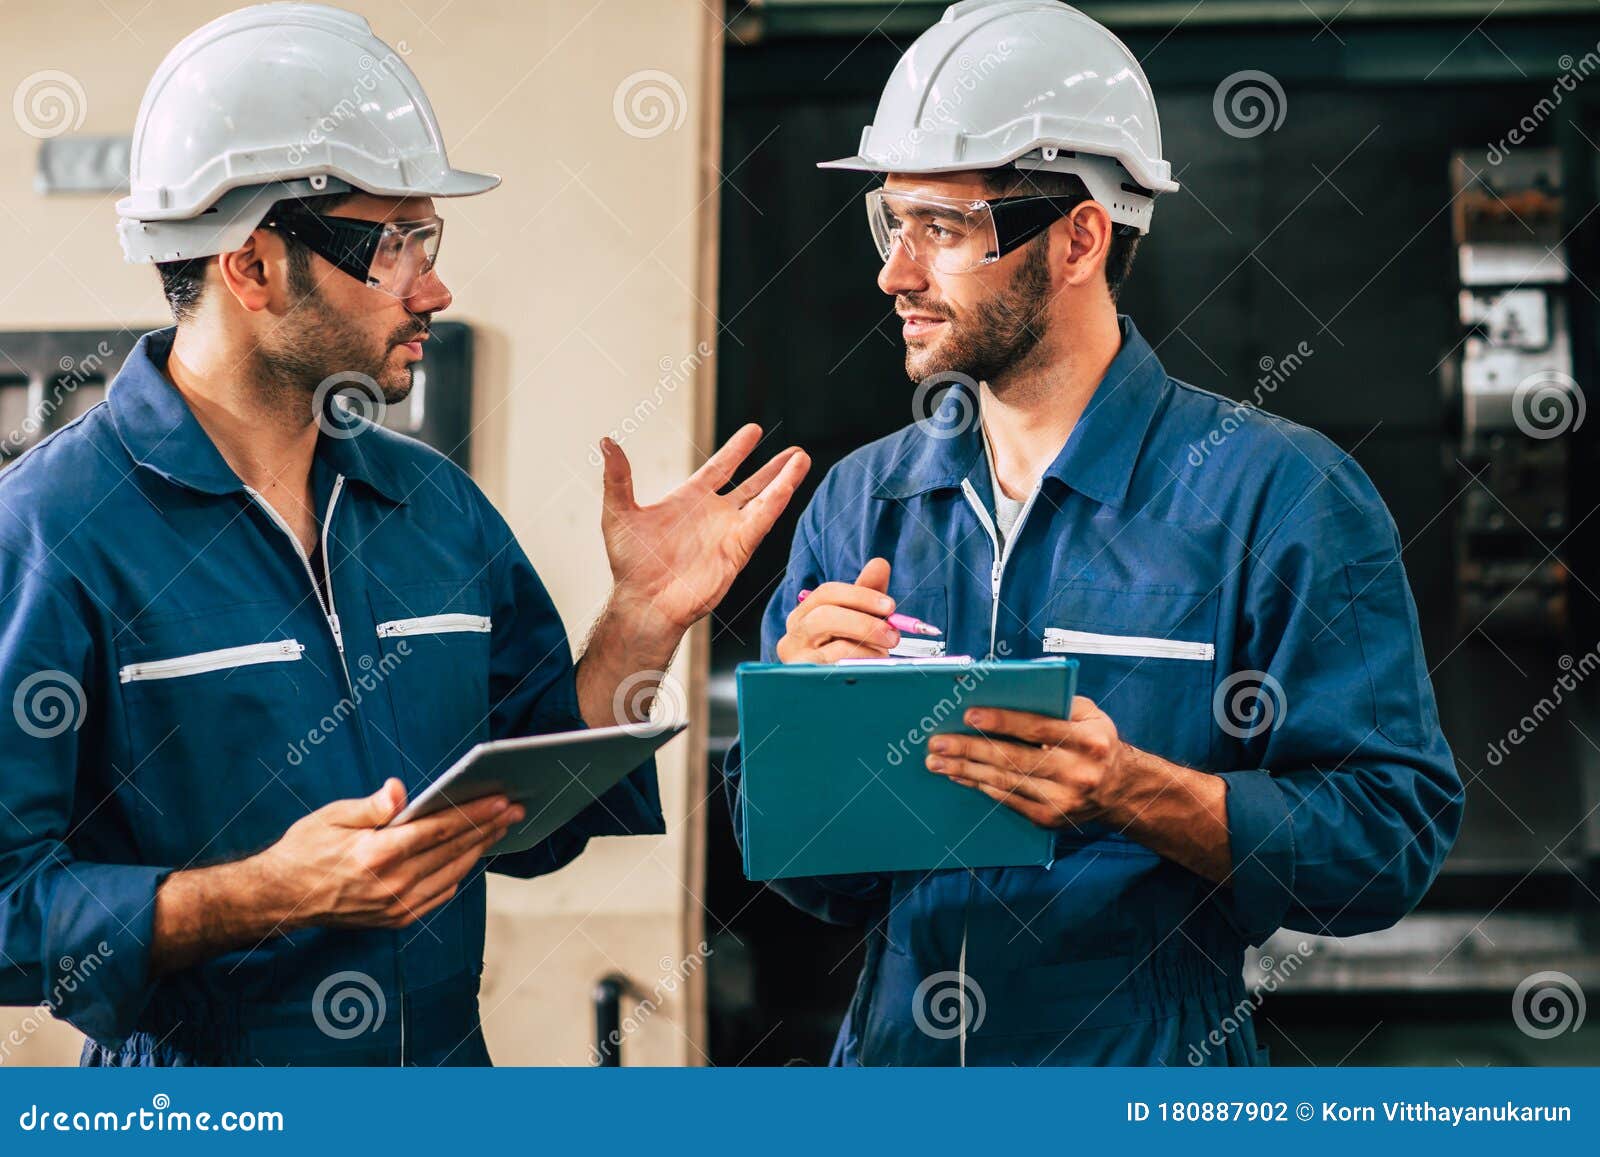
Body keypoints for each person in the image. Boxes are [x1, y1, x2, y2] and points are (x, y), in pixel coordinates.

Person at [0, 4, 808, 1066]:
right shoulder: (53, 528)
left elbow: (527, 812)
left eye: (429, 239)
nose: (434, 287)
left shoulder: (432, 505)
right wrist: (262, 894)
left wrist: (640, 625)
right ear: (252, 265)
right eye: (393, 244)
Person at [722, 0, 1462, 1066]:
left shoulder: (1280, 497)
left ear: (1078, 237)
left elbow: (1386, 842)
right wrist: (800, 738)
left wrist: (1131, 791)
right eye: (892, 223)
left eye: (944, 227)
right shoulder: (863, 503)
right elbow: (814, 880)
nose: (896, 273)